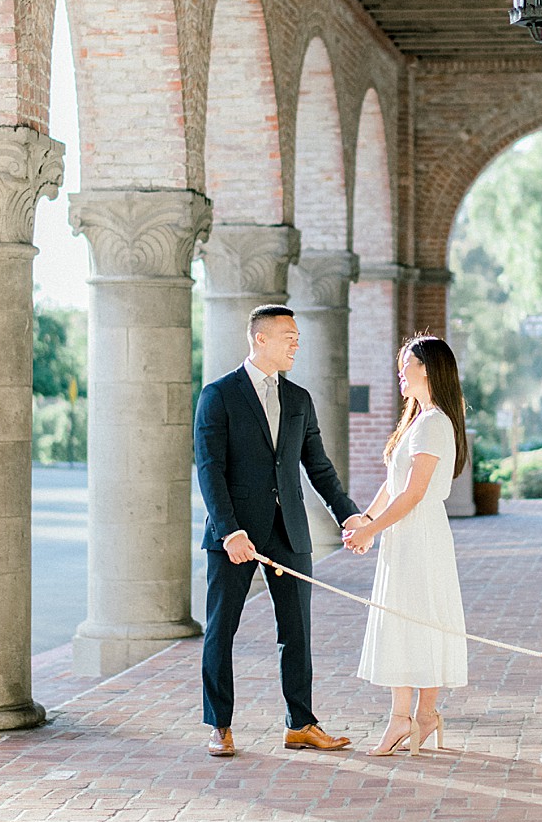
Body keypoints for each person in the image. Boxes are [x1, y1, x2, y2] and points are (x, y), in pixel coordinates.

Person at [194, 304, 369, 757]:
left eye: (297, 336)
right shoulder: (219, 395)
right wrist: (230, 531)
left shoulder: (299, 400)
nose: (296, 342)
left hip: (290, 531)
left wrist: (348, 514)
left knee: (297, 631)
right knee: (221, 630)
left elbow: (319, 467)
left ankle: (301, 723)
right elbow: (210, 471)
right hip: (235, 536)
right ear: (260, 339)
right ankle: (220, 725)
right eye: (288, 335)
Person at [344, 334, 471, 756]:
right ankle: (401, 716)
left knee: (422, 616)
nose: (401, 372)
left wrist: (372, 529)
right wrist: (365, 519)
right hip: (404, 533)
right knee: (400, 618)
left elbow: (414, 494)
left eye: (407, 365)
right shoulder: (418, 420)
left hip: (420, 533)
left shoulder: (435, 423)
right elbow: (392, 484)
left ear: (428, 370)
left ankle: (425, 713)